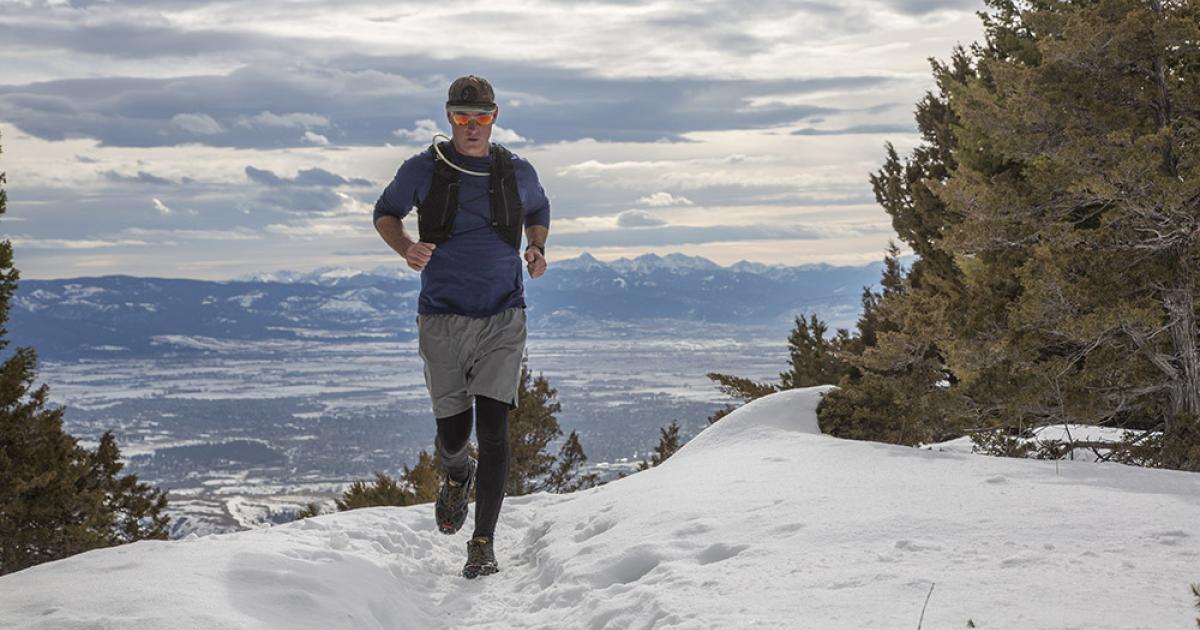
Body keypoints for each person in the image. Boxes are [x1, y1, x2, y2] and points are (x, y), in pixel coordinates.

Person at [372, 75, 550, 579]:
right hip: (442, 317)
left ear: (495, 117)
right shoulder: (422, 169)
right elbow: (385, 212)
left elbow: (538, 208)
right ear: (449, 118)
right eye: (462, 117)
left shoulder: (516, 170)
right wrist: (406, 247)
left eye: (482, 117)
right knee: (454, 434)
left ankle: (483, 543)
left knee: (494, 431)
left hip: (502, 315)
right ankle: (456, 472)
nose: (472, 127)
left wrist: (536, 246)